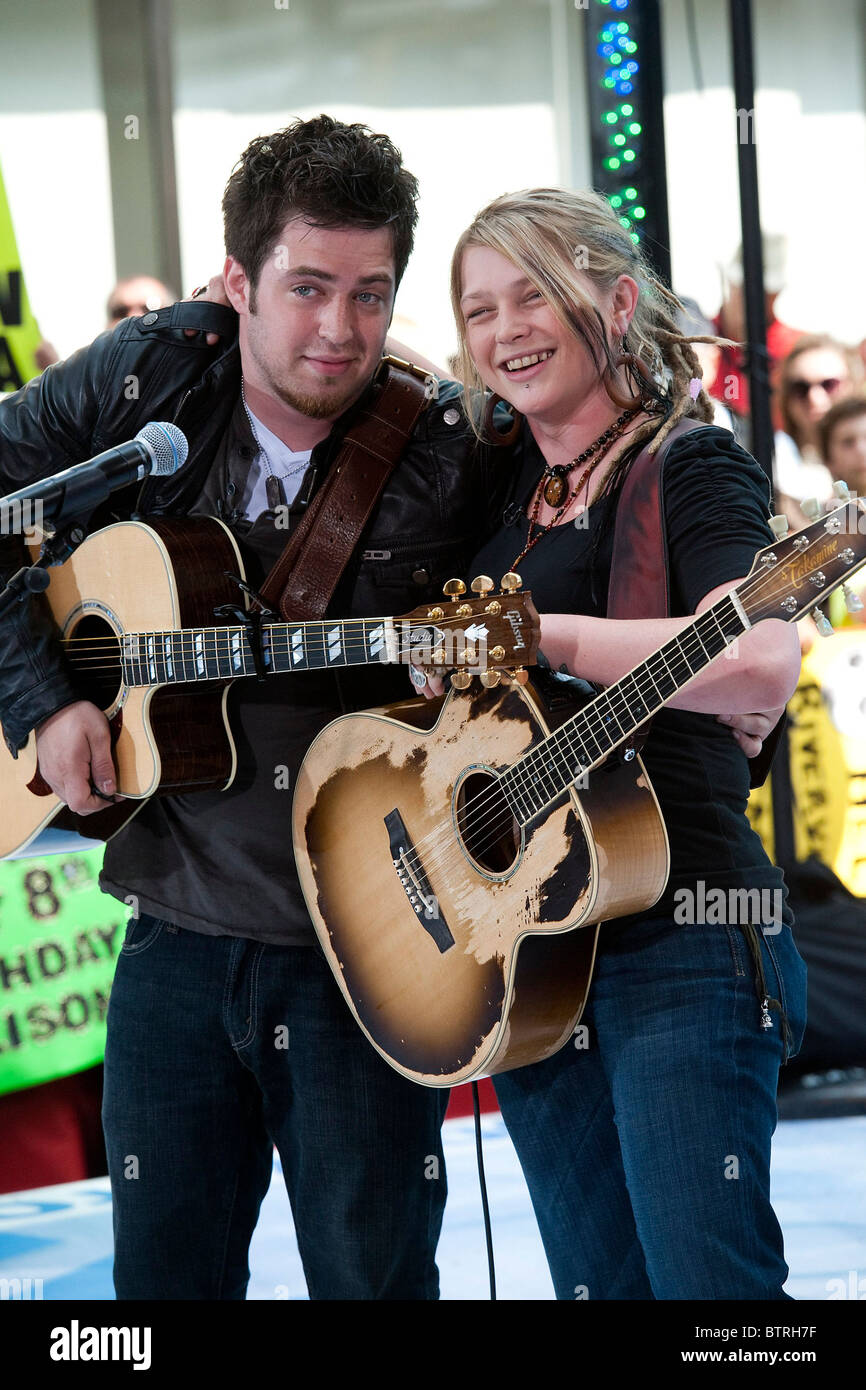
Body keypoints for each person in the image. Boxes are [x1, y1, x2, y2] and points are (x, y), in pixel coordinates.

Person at [0, 115, 502, 1300]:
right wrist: (45, 697)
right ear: (235, 283)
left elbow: (542, 633)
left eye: (371, 294)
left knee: (372, 1282)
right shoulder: (148, 373)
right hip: (171, 930)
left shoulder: (444, 446)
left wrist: (468, 690)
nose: (340, 329)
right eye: (307, 287)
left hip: (358, 947)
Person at [418, 187, 808, 1299]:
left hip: (684, 933)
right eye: (478, 308)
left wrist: (553, 634)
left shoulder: (685, 463)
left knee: (712, 1296)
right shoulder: (502, 491)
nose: (505, 331)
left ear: (617, 297)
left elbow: (759, 655)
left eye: (533, 293)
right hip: (539, 950)